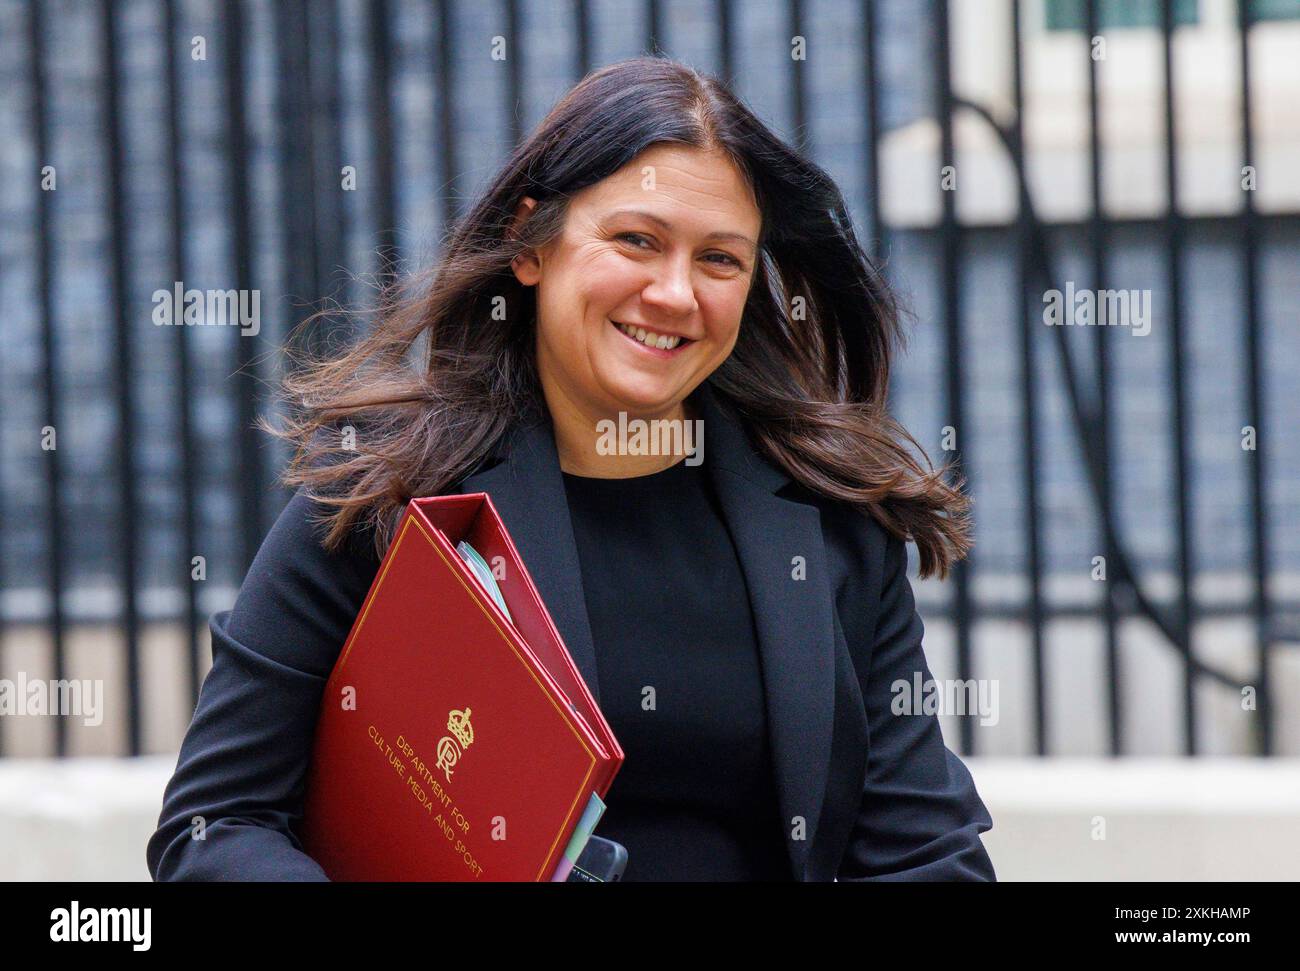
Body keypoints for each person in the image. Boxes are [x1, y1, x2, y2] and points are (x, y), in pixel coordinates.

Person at [147, 55, 996, 882]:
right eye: (637, 239)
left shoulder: (836, 521)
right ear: (531, 244)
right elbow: (215, 824)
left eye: (720, 259)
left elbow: (926, 851)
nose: (674, 292)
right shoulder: (386, 490)